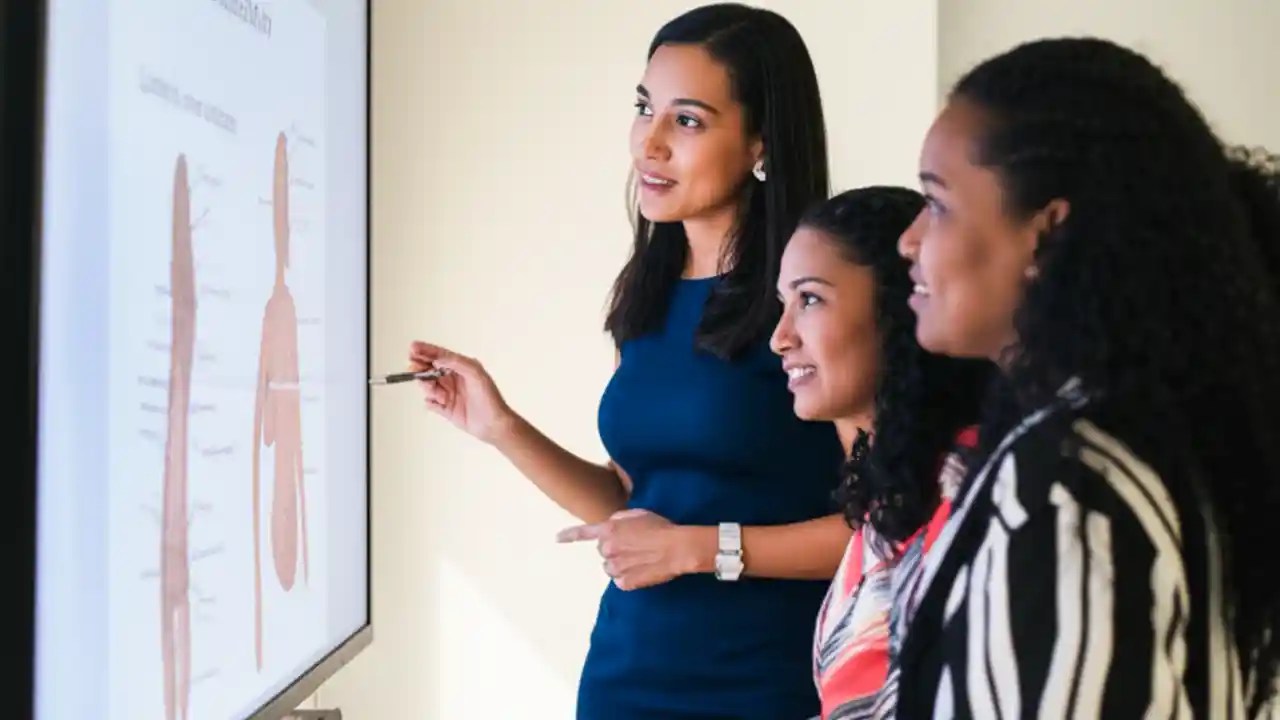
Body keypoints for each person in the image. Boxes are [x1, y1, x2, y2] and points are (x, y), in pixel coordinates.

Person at [407, 5, 848, 718]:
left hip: (766, 685)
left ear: (761, 141)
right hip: (626, 674)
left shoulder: (811, 302)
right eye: (645, 109)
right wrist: (501, 427)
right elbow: (632, 509)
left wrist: (701, 551)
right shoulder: (649, 294)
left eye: (689, 120)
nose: (651, 144)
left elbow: (885, 530)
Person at [892, 36, 1280, 719]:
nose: (910, 240)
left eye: (939, 203)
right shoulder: (1133, 441)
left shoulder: (1067, 489)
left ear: (1046, 234)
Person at [769, 186, 992, 719]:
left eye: (811, 299)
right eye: (785, 303)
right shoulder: (892, 494)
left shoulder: (965, 486)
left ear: (898, 307)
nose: (780, 337)